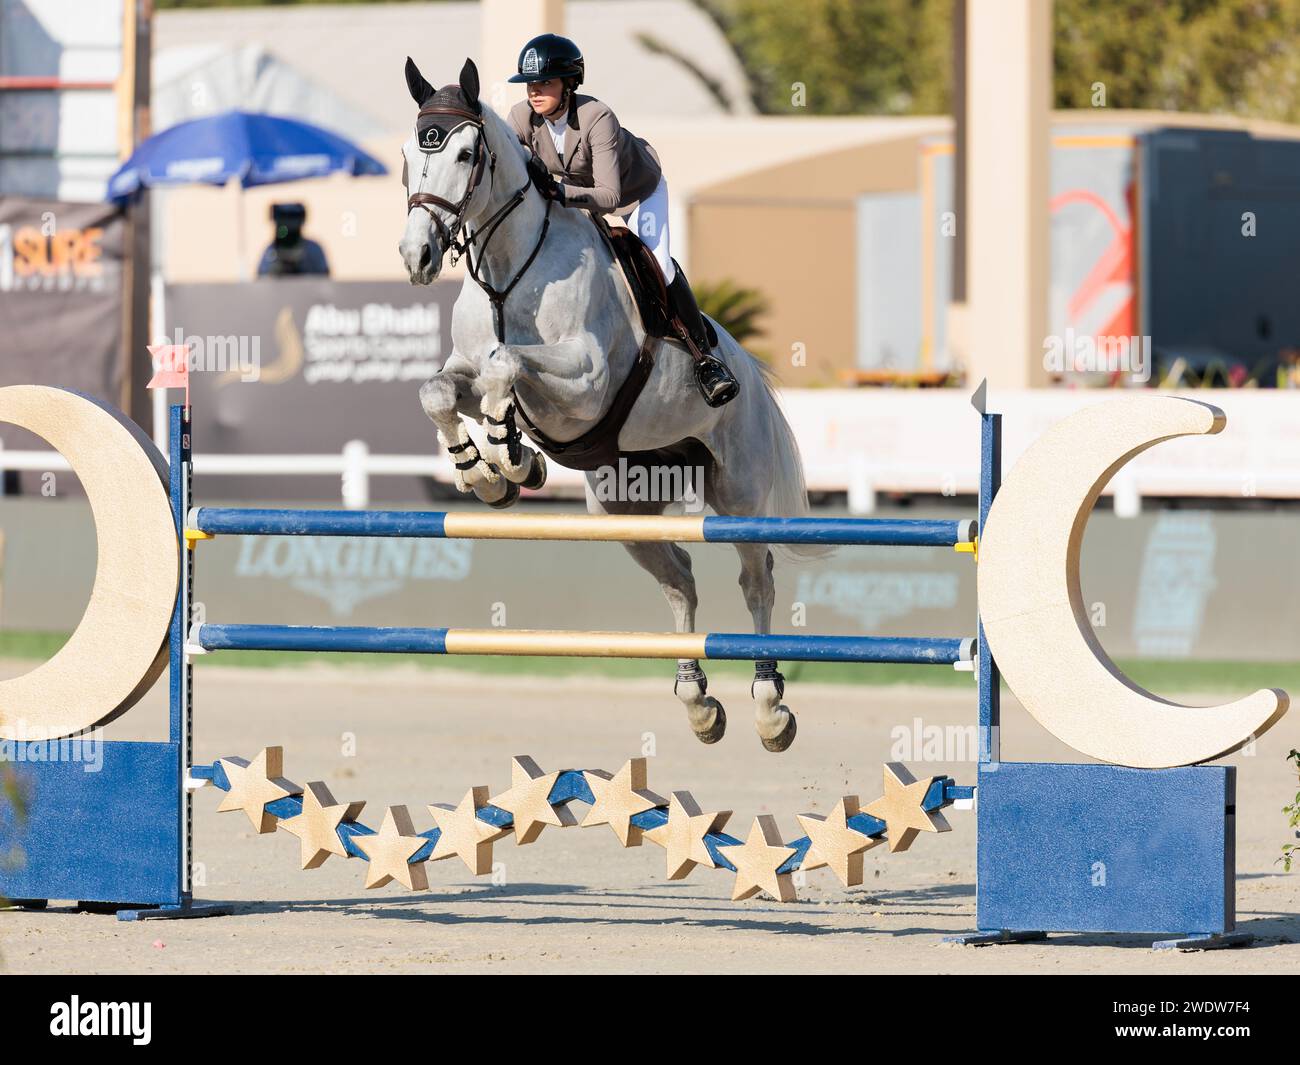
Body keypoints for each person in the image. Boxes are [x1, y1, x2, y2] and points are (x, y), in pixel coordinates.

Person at [506, 33, 738, 407]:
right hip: (580, 200)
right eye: (531, 84)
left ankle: (706, 361)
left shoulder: (597, 116)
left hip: (636, 193)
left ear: (569, 85)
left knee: (658, 264)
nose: (534, 92)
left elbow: (610, 195)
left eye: (545, 83)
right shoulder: (520, 117)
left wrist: (561, 194)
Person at [257, 202, 330, 277]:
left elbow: (324, 277)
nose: (288, 227)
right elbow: (262, 279)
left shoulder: (313, 250)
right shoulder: (271, 253)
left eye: (292, 218)